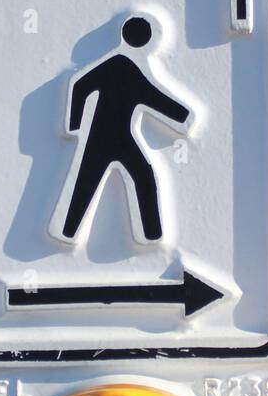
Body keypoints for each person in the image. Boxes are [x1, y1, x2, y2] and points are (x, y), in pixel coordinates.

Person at [54, 15, 191, 244]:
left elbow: (81, 86)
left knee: (90, 183)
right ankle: (150, 233)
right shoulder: (125, 67)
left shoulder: (119, 65)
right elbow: (154, 98)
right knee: (139, 178)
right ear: (147, 41)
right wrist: (73, 125)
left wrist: (75, 124)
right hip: (114, 139)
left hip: (107, 138)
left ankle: (70, 232)